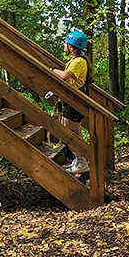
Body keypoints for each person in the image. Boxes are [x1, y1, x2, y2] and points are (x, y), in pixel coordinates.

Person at [50, 30, 90, 174]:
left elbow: (65, 76)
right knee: (73, 131)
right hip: (72, 100)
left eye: (66, 43)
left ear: (72, 45)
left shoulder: (79, 61)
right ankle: (79, 160)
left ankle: (82, 161)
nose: (64, 45)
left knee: (69, 131)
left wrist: (52, 70)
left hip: (75, 100)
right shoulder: (75, 60)